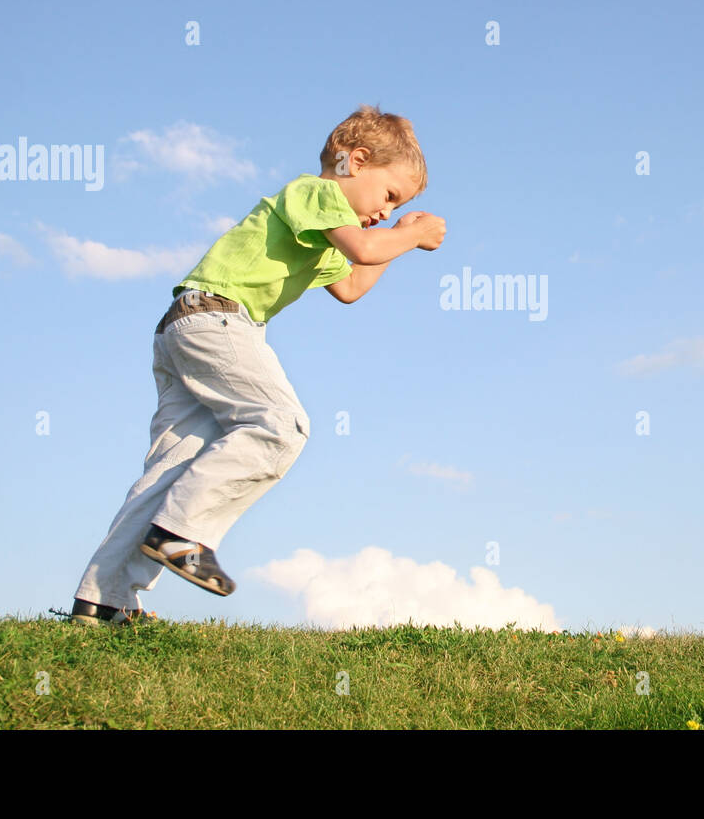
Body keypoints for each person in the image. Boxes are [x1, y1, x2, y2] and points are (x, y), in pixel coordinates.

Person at [68, 104, 446, 625]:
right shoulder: (315, 193)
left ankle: (103, 600)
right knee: (281, 425)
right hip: (217, 320)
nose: (385, 212)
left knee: (170, 469)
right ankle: (182, 533)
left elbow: (354, 285)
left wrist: (398, 239)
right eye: (389, 196)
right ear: (354, 162)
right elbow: (364, 248)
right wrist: (411, 234)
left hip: (184, 327)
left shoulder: (331, 233)